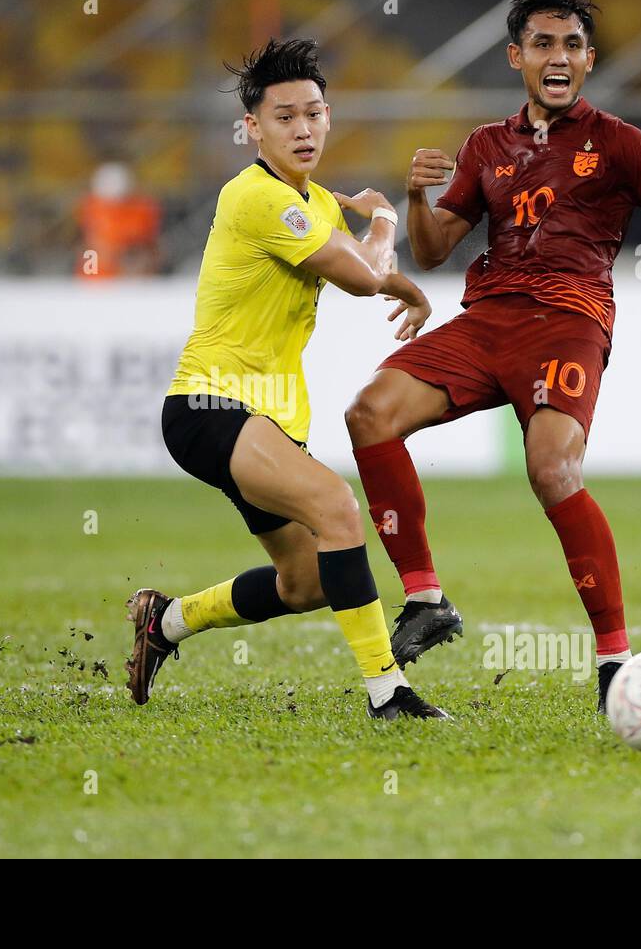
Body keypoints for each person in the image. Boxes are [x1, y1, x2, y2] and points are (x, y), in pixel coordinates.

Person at [344, 0, 641, 710]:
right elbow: (433, 251)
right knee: (368, 414)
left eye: (572, 44)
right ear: (517, 56)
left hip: (571, 319)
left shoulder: (621, 143)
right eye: (543, 43)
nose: (559, 56)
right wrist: (416, 197)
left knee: (551, 469)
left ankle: (613, 663)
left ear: (589, 59)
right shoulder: (485, 145)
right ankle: (426, 599)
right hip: (487, 319)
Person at [125, 38, 448, 720]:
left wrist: (397, 274)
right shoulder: (256, 198)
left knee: (305, 582)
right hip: (212, 402)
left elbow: (363, 263)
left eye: (314, 114)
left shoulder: (312, 204)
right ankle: (389, 695)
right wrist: (385, 216)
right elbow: (364, 275)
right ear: (252, 128)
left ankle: (167, 621)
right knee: (338, 509)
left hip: (265, 418)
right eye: (284, 118)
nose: (303, 130)